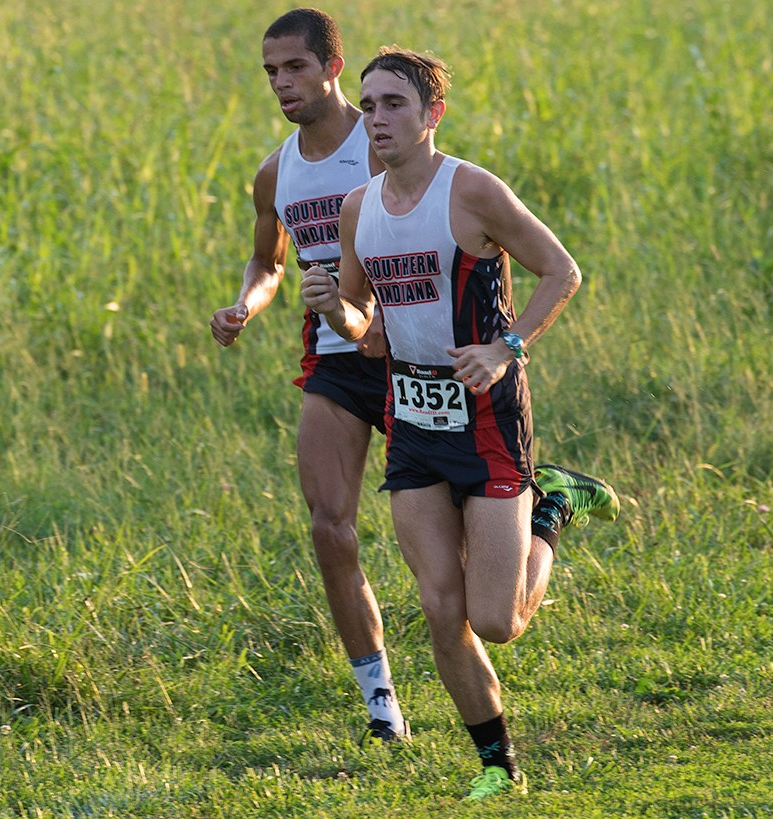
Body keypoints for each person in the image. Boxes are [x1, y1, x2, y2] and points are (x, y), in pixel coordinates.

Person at [300, 47, 620, 800]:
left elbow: (561, 270)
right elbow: (367, 328)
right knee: (441, 606)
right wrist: (329, 307)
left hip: (486, 419)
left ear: (432, 114)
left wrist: (506, 348)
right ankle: (497, 766)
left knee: (496, 617)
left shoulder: (471, 191)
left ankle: (552, 505)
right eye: (370, 105)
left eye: (394, 106)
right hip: (410, 419)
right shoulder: (358, 209)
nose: (377, 119)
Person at [209, 9, 408, 743]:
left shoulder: (383, 142)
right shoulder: (276, 171)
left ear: (332, 66)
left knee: (447, 540)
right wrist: (244, 305)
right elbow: (269, 261)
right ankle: (380, 701)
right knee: (331, 527)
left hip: (412, 349)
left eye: (293, 67)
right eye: (269, 72)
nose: (281, 84)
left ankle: (535, 509)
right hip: (333, 355)